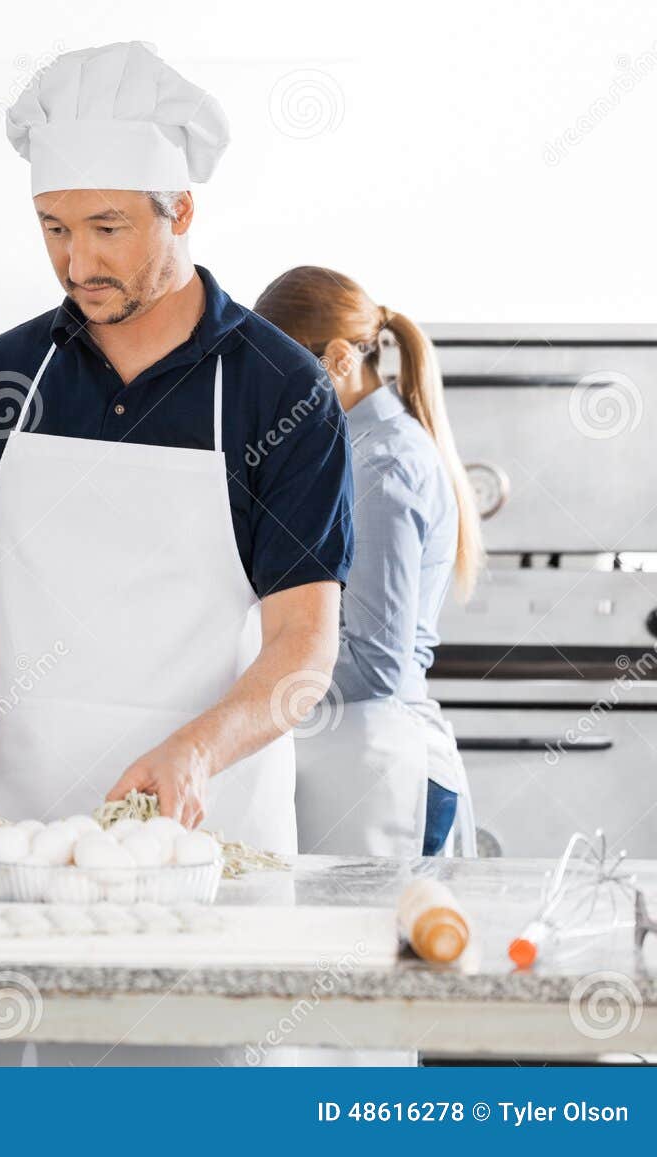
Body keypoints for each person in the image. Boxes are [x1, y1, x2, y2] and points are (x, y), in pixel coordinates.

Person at [0, 42, 354, 1065]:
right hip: (5, 857)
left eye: (107, 227)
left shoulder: (278, 393)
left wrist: (194, 750)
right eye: (53, 227)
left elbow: (302, 650)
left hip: (197, 858)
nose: (77, 260)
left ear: (181, 211)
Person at [255, 266, 482, 857]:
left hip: (385, 767)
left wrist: (253, 688)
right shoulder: (350, 448)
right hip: (355, 757)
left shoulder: (382, 465)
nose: (268, 394)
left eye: (279, 372)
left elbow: (375, 663)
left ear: (337, 358)